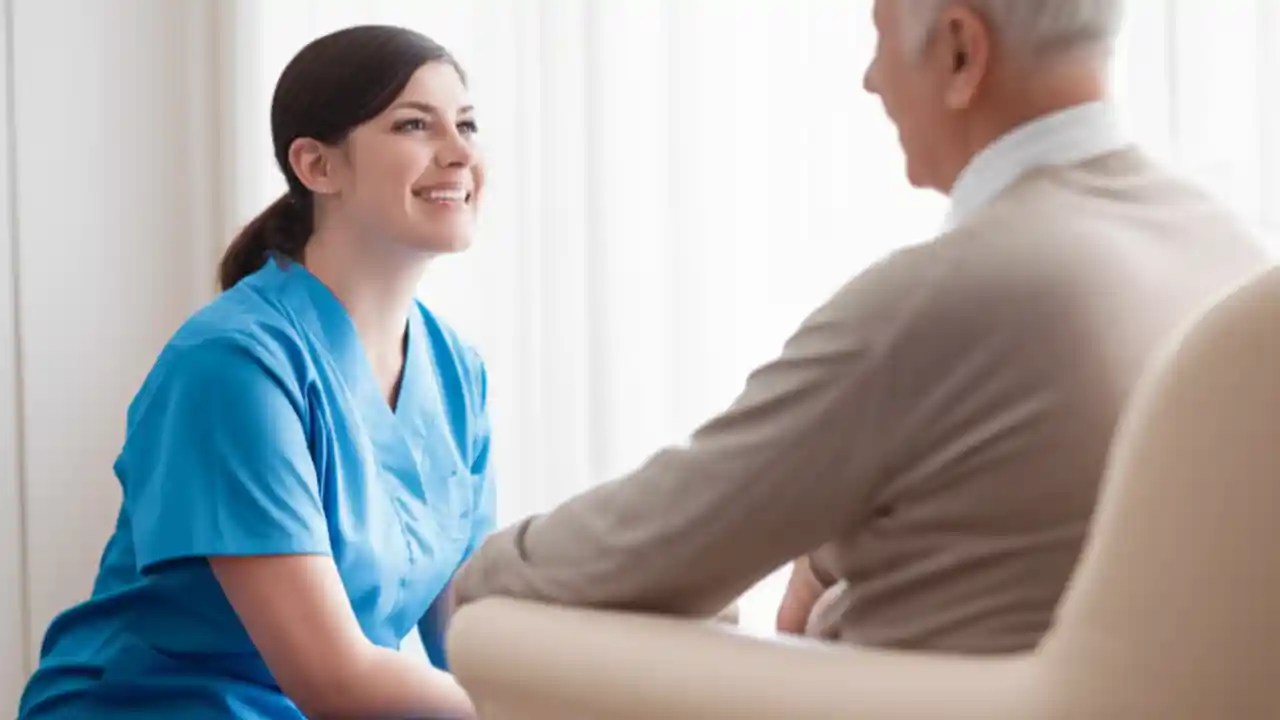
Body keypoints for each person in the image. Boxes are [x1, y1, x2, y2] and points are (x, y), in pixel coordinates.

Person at [452, 0, 1270, 654]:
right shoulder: (1229, 250)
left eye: (879, 32)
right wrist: (828, 553)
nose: (872, 79)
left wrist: (477, 574)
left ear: (960, 51)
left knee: (500, 618)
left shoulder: (950, 298)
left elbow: (650, 548)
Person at [19, 25, 491, 719]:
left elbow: (471, 640)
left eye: (469, 124)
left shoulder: (457, 373)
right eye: (415, 125)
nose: (459, 153)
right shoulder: (233, 366)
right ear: (317, 166)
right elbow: (336, 682)